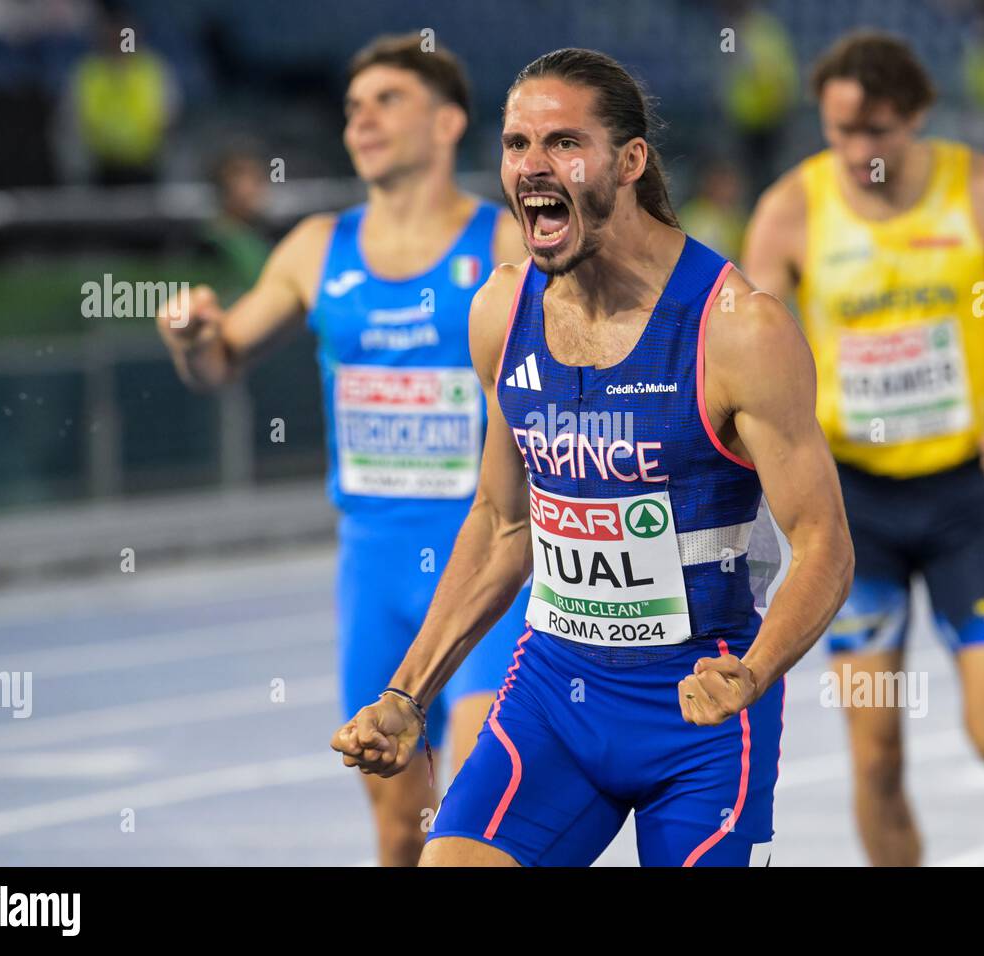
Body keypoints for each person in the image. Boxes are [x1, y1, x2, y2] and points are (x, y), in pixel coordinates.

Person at [332, 48, 854, 867]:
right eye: (515, 146)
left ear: (631, 161)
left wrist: (751, 675)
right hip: (554, 698)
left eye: (563, 144)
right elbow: (506, 525)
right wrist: (408, 694)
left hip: (700, 716)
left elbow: (823, 544)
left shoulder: (738, 330)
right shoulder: (502, 311)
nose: (532, 167)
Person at [155, 34, 530, 867]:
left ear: (446, 124)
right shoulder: (316, 248)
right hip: (373, 568)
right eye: (354, 105)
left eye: (388, 100)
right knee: (402, 828)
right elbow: (219, 361)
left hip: (486, 560)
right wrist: (190, 335)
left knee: (471, 817)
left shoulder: (501, 244)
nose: (363, 118)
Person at [742, 30, 984, 867]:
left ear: (918, 118)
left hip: (962, 497)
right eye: (841, 133)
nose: (860, 152)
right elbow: (743, 354)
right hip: (856, 509)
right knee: (876, 754)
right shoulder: (791, 211)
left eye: (879, 132)